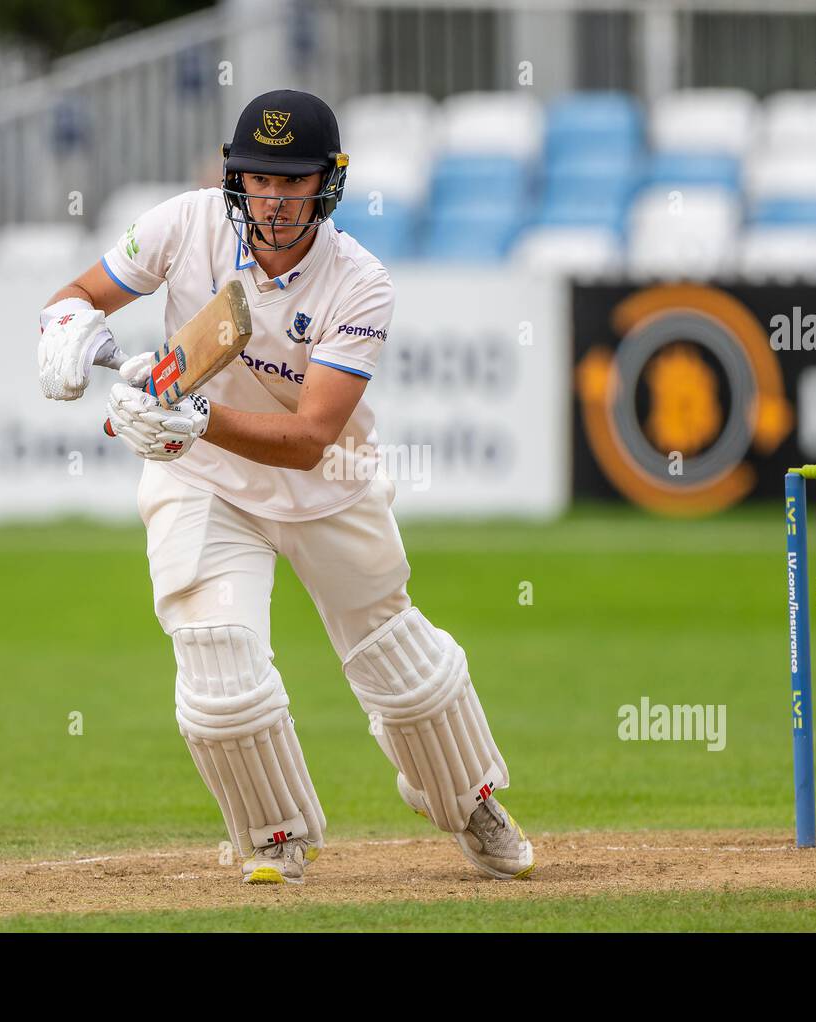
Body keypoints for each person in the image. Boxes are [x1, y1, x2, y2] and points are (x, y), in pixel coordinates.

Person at [36, 89, 533, 885]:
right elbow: (82, 293)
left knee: (403, 671)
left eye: (292, 181)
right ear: (236, 178)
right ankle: (274, 837)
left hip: (326, 486)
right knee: (217, 665)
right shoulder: (184, 223)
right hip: (202, 483)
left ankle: (468, 799)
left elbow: (309, 438)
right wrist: (67, 328)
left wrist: (195, 415)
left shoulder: (359, 282)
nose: (272, 200)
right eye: (259, 180)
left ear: (326, 185)